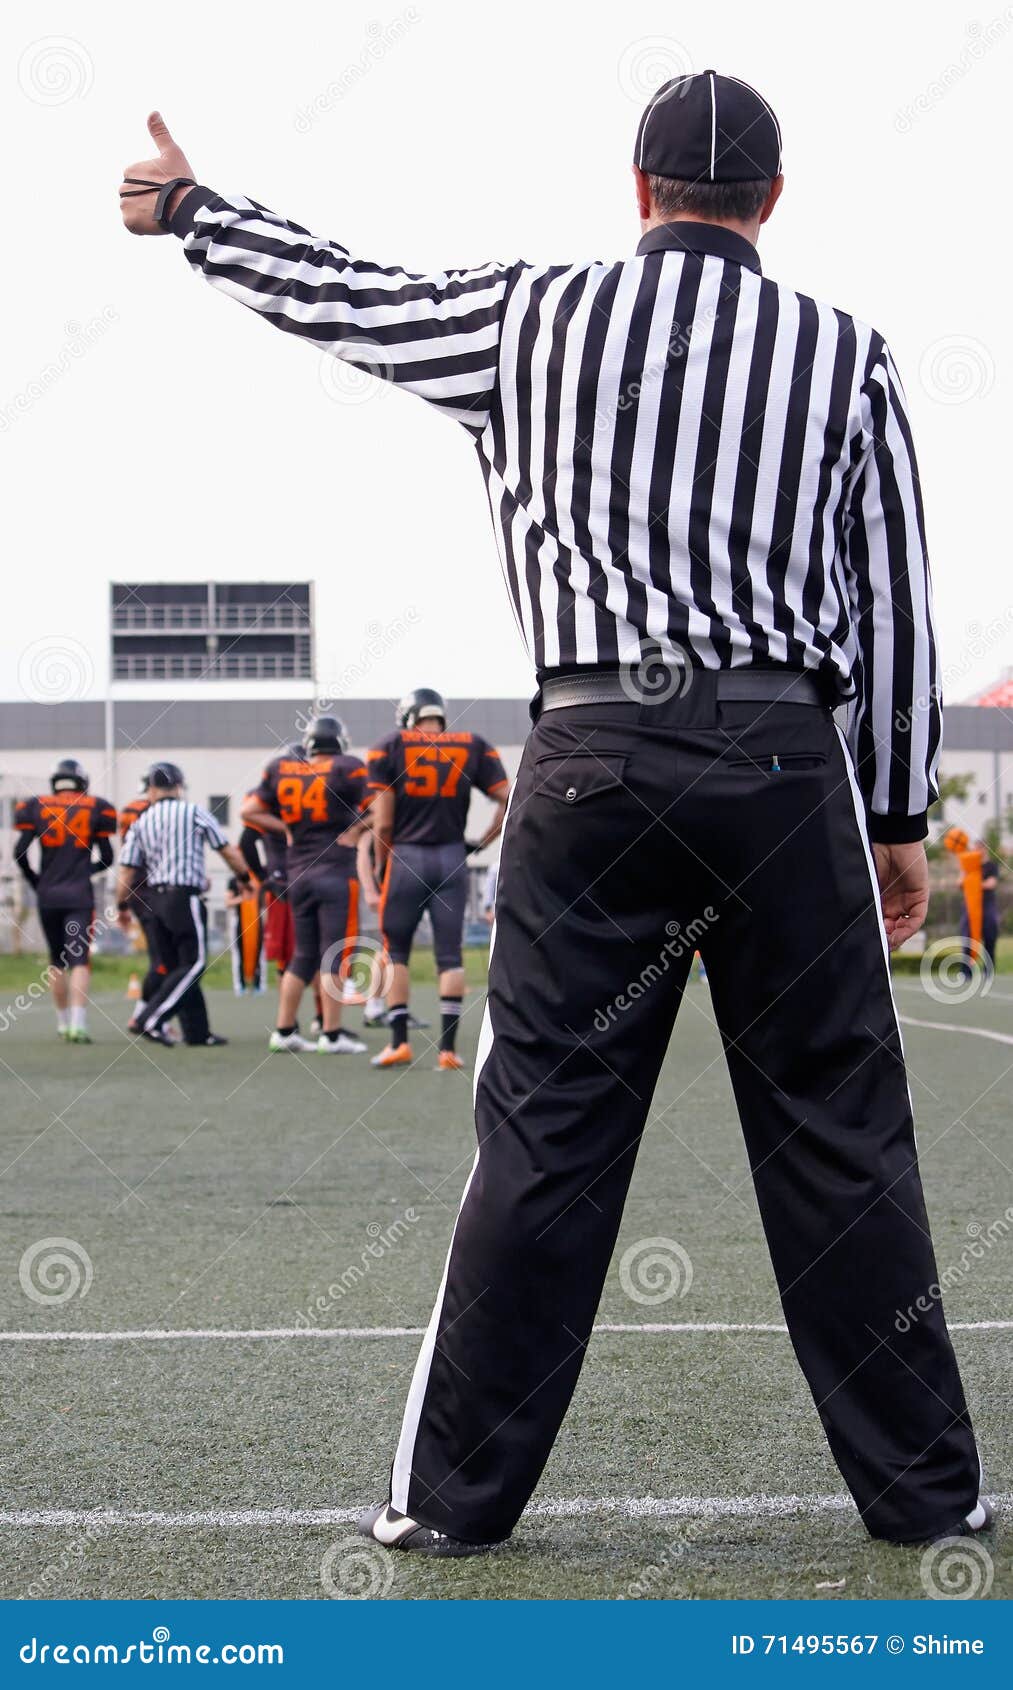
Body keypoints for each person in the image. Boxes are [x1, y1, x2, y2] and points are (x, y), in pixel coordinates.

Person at [120, 80, 989, 1553]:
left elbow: (353, 299)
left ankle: (455, 1503)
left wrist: (201, 215)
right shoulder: (844, 355)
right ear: (770, 202)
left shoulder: (532, 319)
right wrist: (895, 808)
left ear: (637, 186)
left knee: (543, 1137)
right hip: (781, 765)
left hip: (593, 758)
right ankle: (926, 1491)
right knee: (840, 1133)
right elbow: (896, 598)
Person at [361, 688, 509, 1072]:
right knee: (449, 955)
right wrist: (480, 842)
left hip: (406, 856)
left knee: (396, 952)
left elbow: (385, 820)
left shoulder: (389, 746)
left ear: (409, 717)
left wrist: (380, 864)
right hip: (450, 858)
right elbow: (507, 797)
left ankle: (399, 1044)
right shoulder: (472, 745)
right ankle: (448, 1051)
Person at [242, 717, 369, 1054]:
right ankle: (331, 1034)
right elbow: (382, 804)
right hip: (334, 873)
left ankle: (284, 1031)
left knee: (302, 955)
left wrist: (285, 827)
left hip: (298, 873)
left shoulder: (283, 769)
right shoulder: (346, 768)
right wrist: (359, 830)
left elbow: (250, 810)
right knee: (333, 954)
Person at [115, 762, 249, 1046]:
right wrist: (244, 877)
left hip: (155, 899)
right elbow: (225, 849)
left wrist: (121, 905)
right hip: (183, 897)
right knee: (194, 963)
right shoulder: (193, 812)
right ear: (179, 787)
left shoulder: (143, 820)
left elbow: (126, 869)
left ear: (151, 790)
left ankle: (197, 1032)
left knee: (177, 965)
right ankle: (150, 1019)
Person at [14, 759, 116, 1043]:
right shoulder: (97, 807)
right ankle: (77, 1023)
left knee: (56, 960)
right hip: (78, 895)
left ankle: (61, 1023)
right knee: (80, 960)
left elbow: (20, 852)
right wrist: (86, 872)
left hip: (48, 894)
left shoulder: (35, 806)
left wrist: (37, 881)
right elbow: (107, 857)